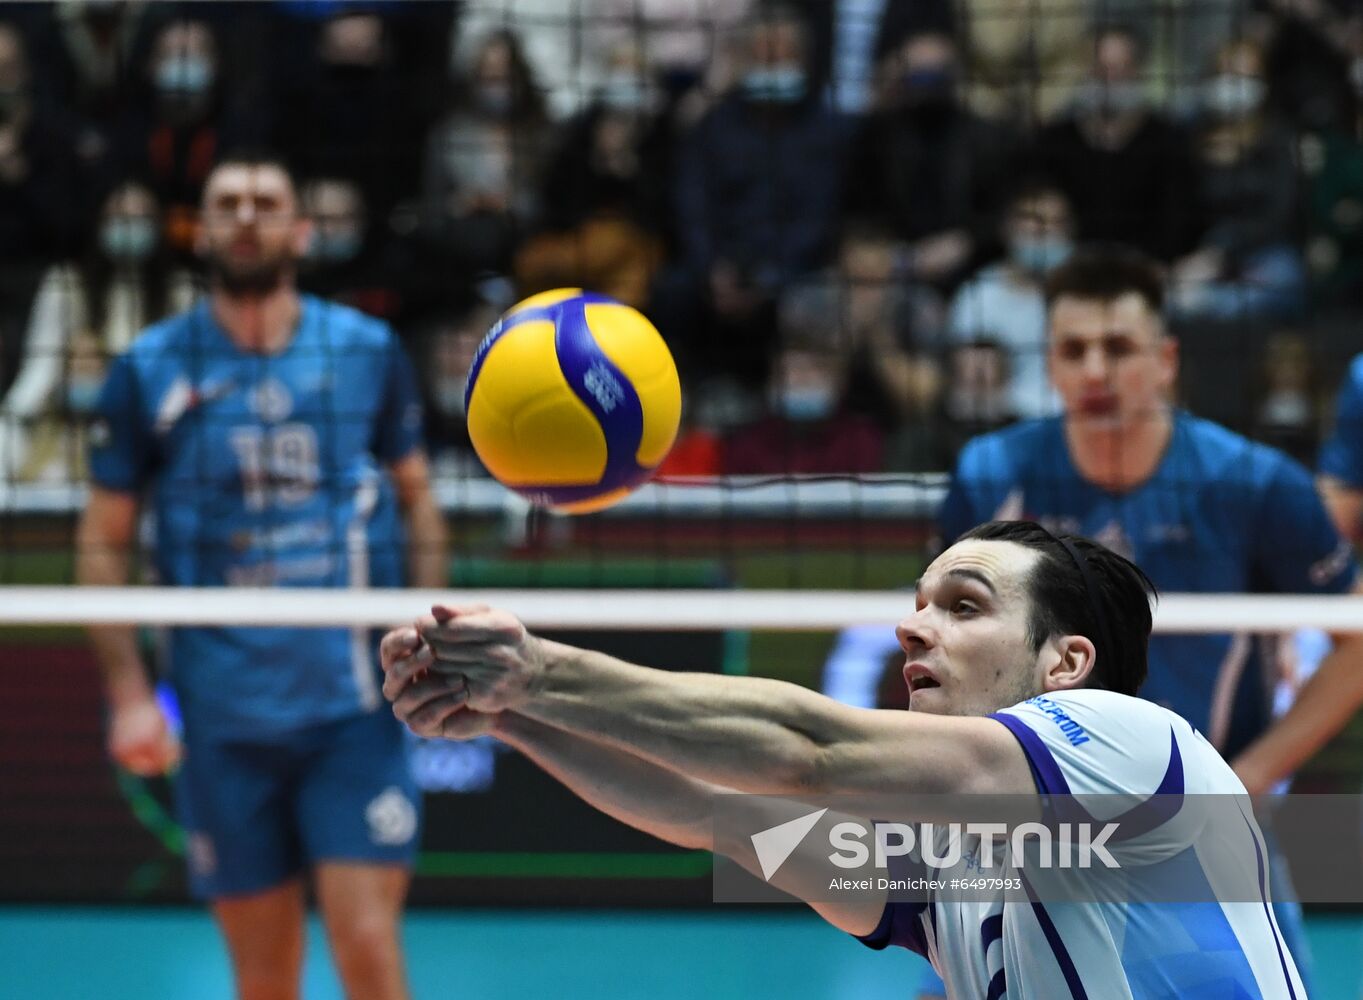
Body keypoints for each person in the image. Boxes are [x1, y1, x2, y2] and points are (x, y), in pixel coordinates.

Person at [380, 520, 1306, 995]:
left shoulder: (1130, 746)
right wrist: (504, 716)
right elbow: (709, 808)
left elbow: (808, 754)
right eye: (919, 599)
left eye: (963, 605)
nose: (912, 625)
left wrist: (539, 672)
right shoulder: (949, 870)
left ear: (1065, 663)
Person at [935, 244, 1363, 995]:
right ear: (1053, 365)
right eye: (1073, 350)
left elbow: (1357, 645)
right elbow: (946, 653)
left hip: (1209, 834)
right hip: (1038, 838)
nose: (1095, 371)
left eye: (1119, 348)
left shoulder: (1255, 484)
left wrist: (1250, 778)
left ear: (1164, 361)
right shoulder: (991, 475)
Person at [75, 152, 447, 1000]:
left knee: (365, 945)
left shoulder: (364, 350)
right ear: (202, 231)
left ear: (300, 230)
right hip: (221, 718)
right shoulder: (150, 368)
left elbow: (419, 504)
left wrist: (435, 637)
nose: (247, 216)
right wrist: (131, 692)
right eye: (228, 203)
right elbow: (102, 543)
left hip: (350, 707)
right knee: (263, 977)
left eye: (266, 202)